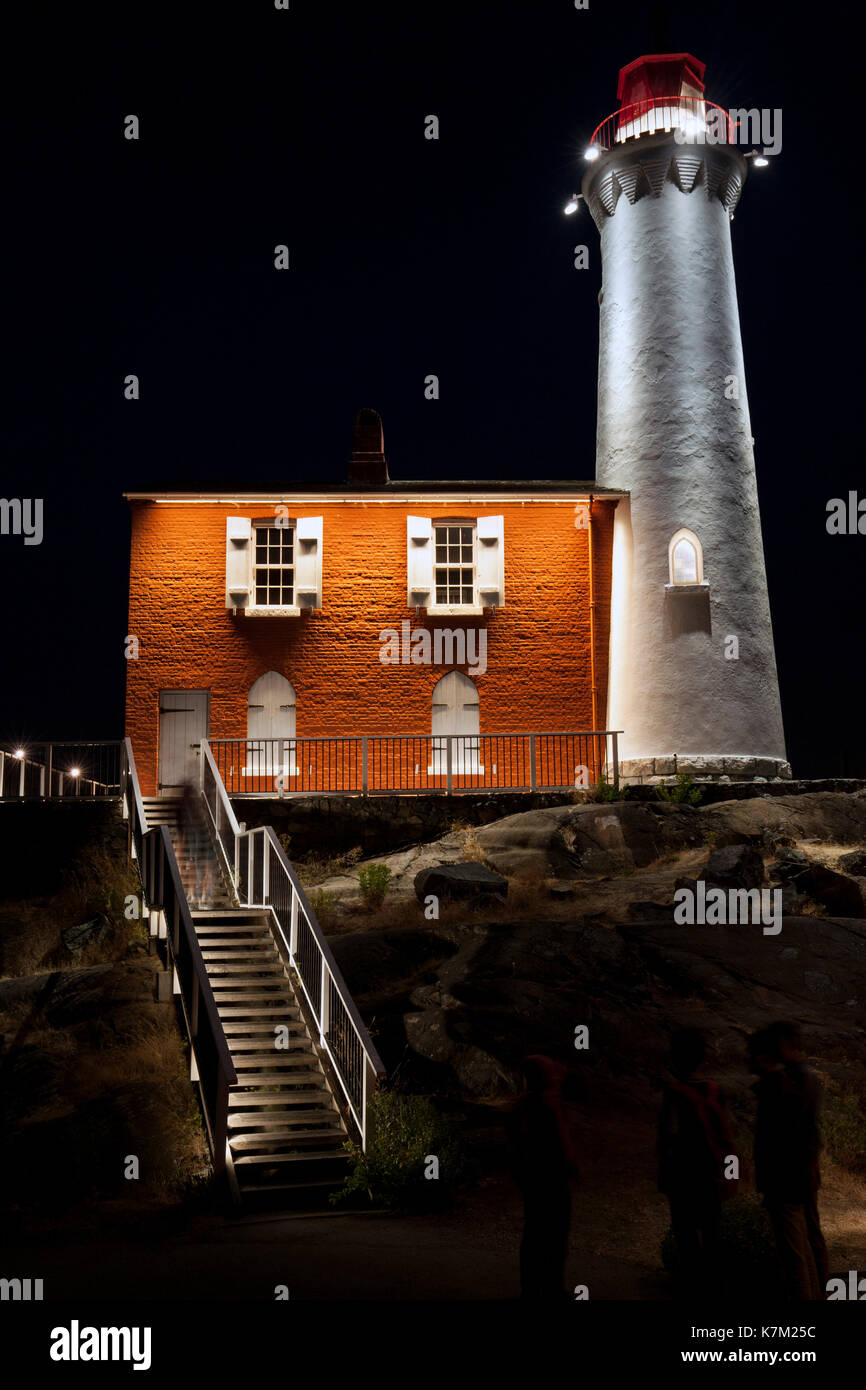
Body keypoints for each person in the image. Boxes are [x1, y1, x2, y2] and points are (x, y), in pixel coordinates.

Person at [658, 1028, 738, 1297]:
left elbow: (668, 1136)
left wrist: (664, 1173)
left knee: (686, 1235)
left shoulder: (674, 1093)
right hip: (712, 1173)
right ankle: (716, 1289)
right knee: (713, 1233)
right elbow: (727, 1135)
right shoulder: (715, 1090)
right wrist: (731, 1173)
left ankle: (692, 1290)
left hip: (684, 1175)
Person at [751, 1022, 828, 1301]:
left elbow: (788, 1135)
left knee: (796, 1249)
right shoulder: (797, 1079)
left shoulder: (790, 1083)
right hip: (797, 1175)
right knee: (804, 1243)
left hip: (788, 1178)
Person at [506, 1054, 578, 1300]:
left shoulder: (526, 1106)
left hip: (538, 1181)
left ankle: (536, 1286)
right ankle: (547, 1288)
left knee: (538, 1233)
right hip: (551, 1180)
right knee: (552, 1235)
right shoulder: (544, 1105)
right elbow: (558, 1143)